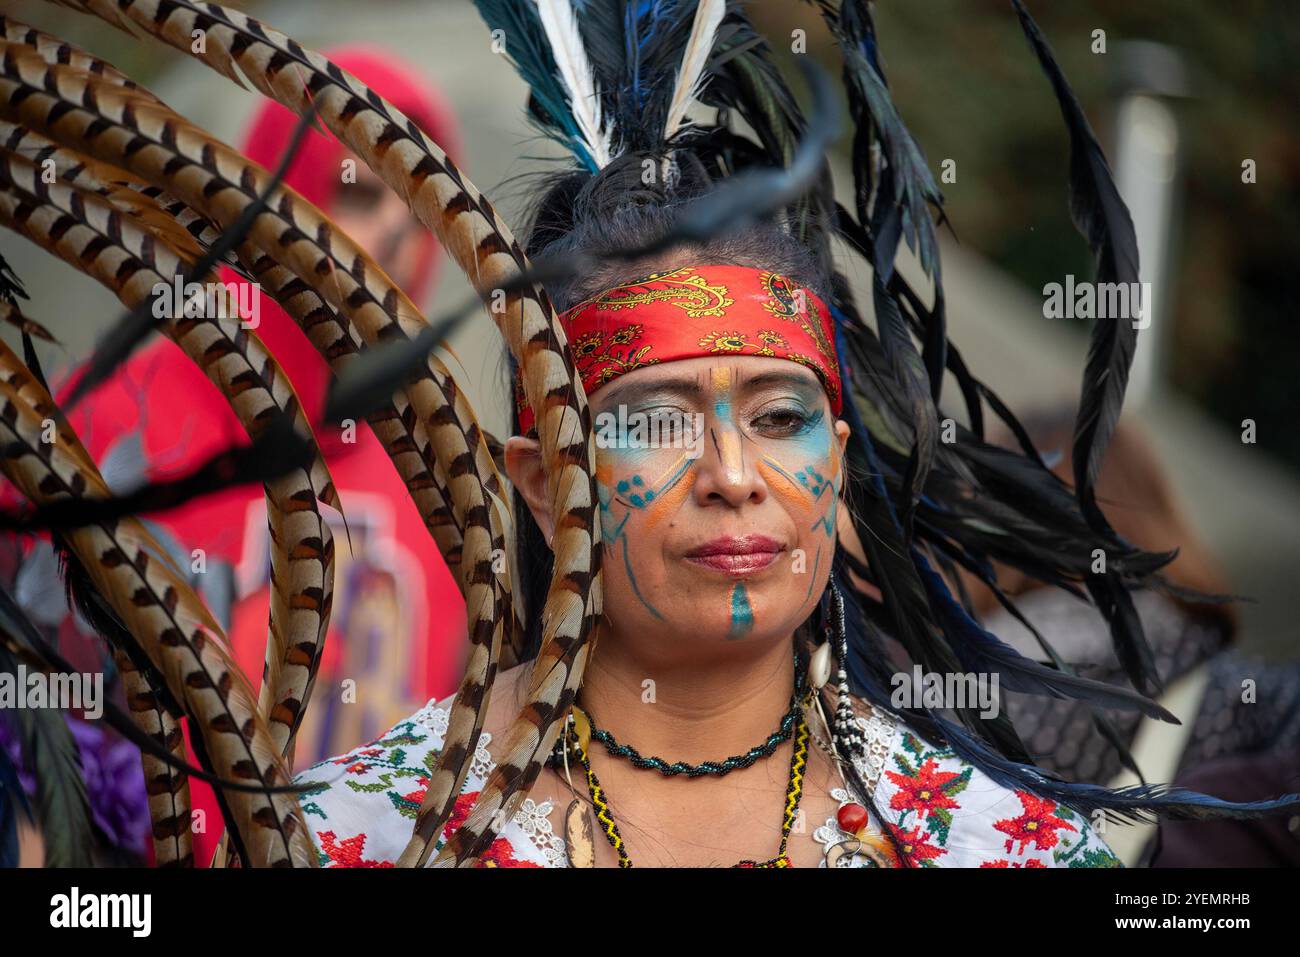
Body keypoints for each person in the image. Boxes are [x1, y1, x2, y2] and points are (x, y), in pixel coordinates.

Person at [50, 46, 467, 866]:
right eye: (357, 190)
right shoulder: (105, 421)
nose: (391, 230)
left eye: (420, 208)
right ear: (272, 197)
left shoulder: (442, 484)